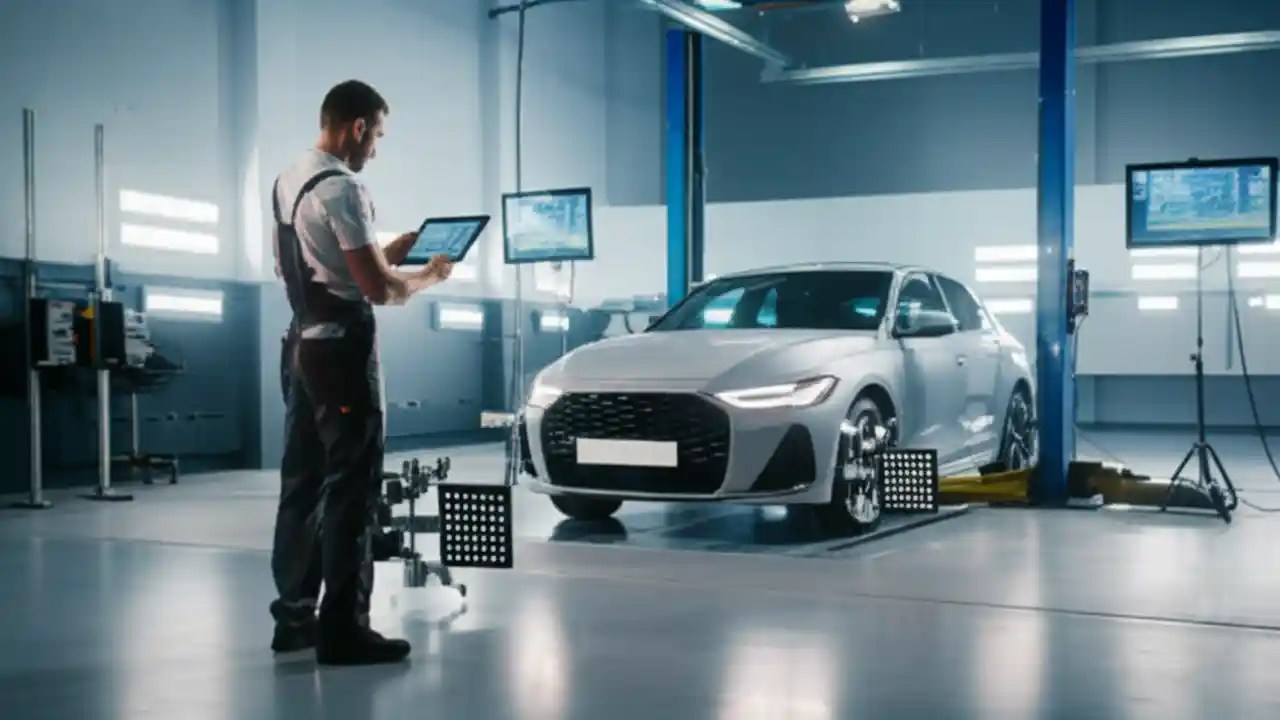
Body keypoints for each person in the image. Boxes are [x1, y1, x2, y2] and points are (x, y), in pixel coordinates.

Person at [268, 79, 452, 665]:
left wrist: (389, 249)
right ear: (355, 127)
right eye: (377, 135)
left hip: (299, 346)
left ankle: (294, 619)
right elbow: (378, 290)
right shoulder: (346, 188)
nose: (376, 148)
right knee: (352, 488)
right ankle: (344, 629)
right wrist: (428, 275)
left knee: (301, 484)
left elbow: (322, 262)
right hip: (342, 356)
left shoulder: (290, 177)